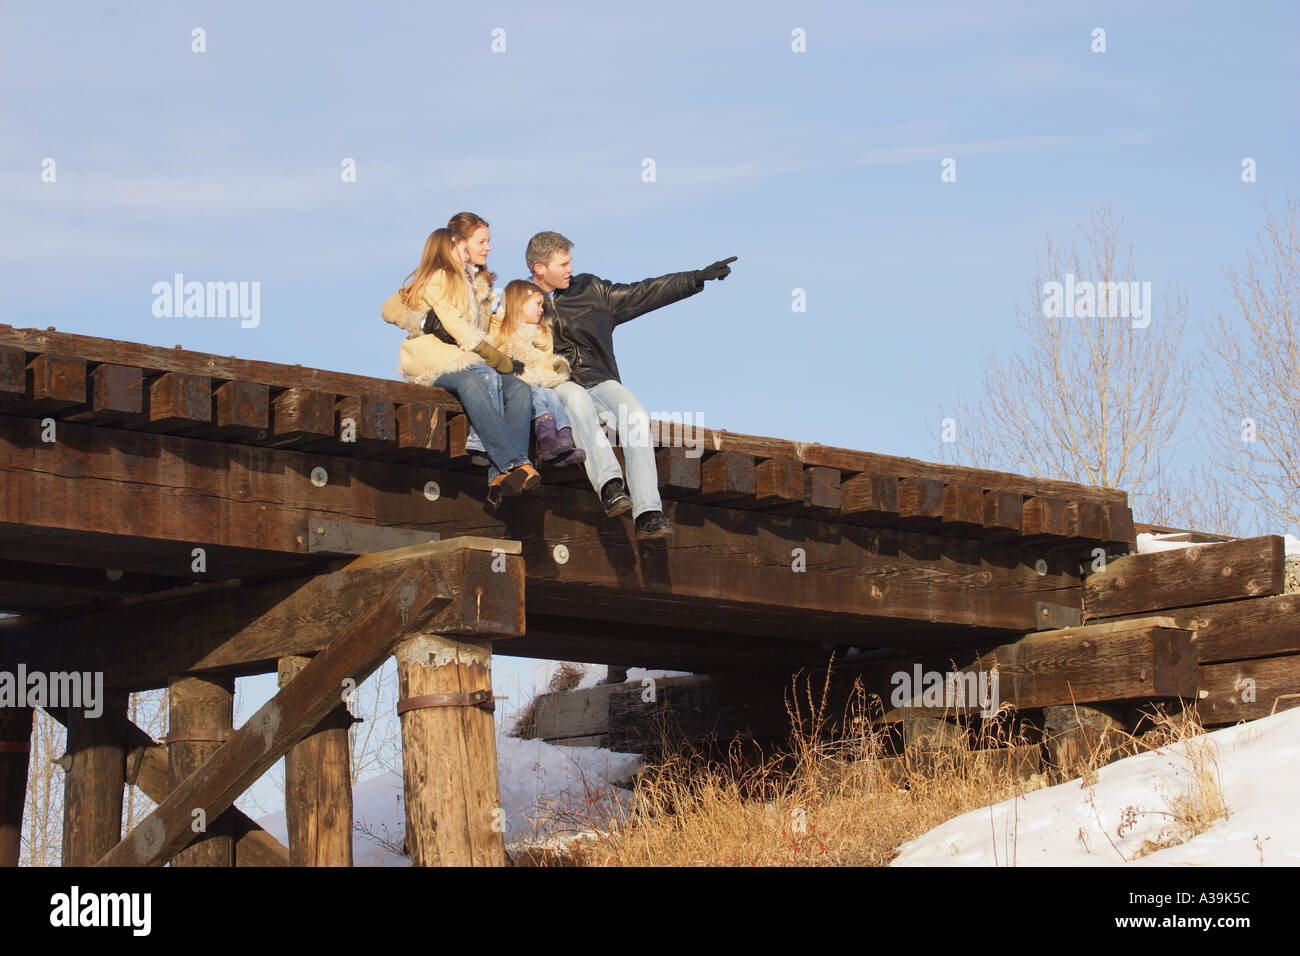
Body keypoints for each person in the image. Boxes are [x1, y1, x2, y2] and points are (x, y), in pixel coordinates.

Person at [524, 231, 736, 539]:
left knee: (635, 416)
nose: (570, 268)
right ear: (540, 268)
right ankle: (611, 486)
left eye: (570, 262)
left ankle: (648, 513)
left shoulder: (590, 289)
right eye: (563, 263)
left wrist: (694, 278)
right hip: (559, 385)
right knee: (576, 401)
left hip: (599, 379)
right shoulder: (523, 300)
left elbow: (644, 292)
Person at [381, 227, 538, 507]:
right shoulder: (439, 275)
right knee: (478, 379)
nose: (487, 247)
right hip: (440, 357)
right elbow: (392, 308)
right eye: (480, 242)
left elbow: (490, 328)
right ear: (459, 244)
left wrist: (516, 344)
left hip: (474, 355)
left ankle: (499, 475)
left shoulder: (480, 285)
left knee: (518, 390)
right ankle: (513, 463)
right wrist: (424, 322)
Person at [492, 279, 587, 468]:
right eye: (537, 304)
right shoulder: (500, 327)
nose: (541, 310)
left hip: (538, 378)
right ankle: (547, 438)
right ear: (519, 304)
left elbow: (546, 356)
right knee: (537, 394)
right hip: (520, 380)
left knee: (552, 395)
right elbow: (499, 350)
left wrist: (558, 364)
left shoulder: (541, 332)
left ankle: (564, 439)